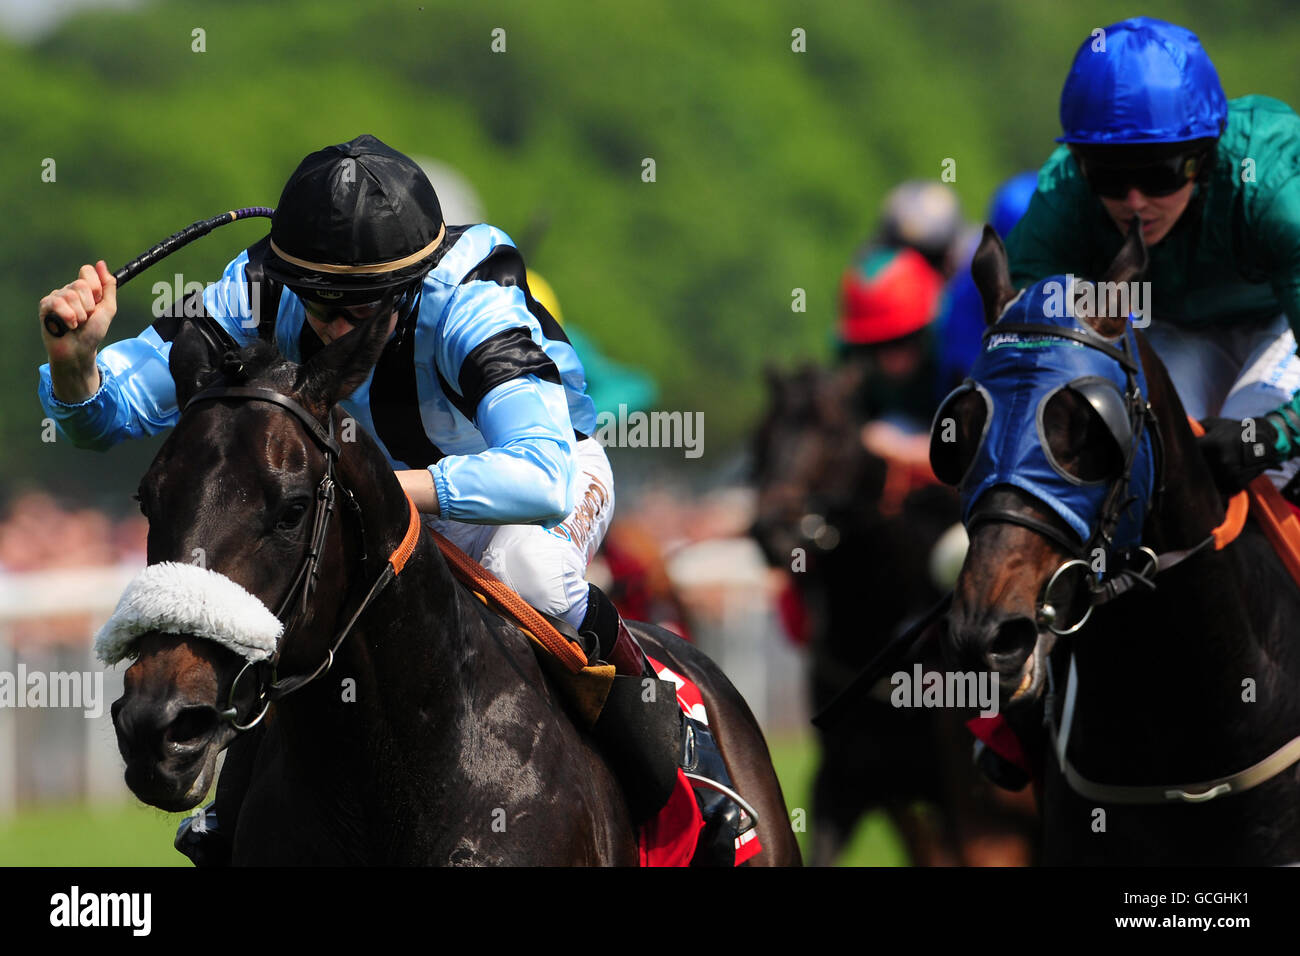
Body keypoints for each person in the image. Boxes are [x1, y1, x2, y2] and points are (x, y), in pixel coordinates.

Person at [37, 134, 734, 859]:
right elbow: (108, 416)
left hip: (528, 476)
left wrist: (368, 491)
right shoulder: (263, 286)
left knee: (538, 575)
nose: (334, 324)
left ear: (409, 281)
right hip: (359, 488)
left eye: (360, 308)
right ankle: (233, 811)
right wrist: (75, 365)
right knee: (289, 600)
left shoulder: (469, 300)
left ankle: (692, 770)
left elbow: (539, 476)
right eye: (319, 303)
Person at [1006, 16, 1300, 498]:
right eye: (1109, 176)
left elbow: (1265, 436)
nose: (1136, 201)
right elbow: (1022, 340)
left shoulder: (1270, 187)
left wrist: (1274, 436)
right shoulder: (1065, 194)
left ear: (1203, 156)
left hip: (1282, 322)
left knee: (1256, 432)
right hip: (1173, 327)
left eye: (1161, 173)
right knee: (1141, 455)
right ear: (1080, 165)